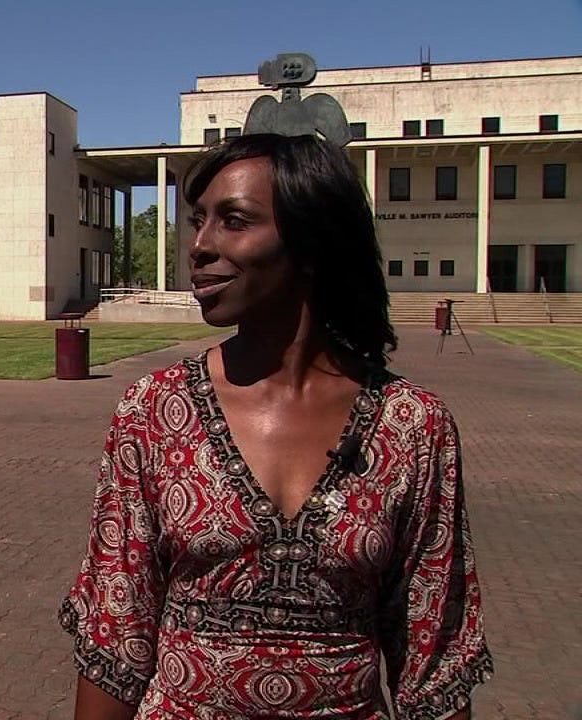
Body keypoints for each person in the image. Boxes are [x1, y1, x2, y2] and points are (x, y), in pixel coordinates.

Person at [60, 133, 492, 719]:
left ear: (312, 244)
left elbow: (433, 658)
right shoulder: (157, 411)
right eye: (199, 220)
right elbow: (117, 632)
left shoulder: (412, 424)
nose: (201, 245)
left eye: (234, 220)